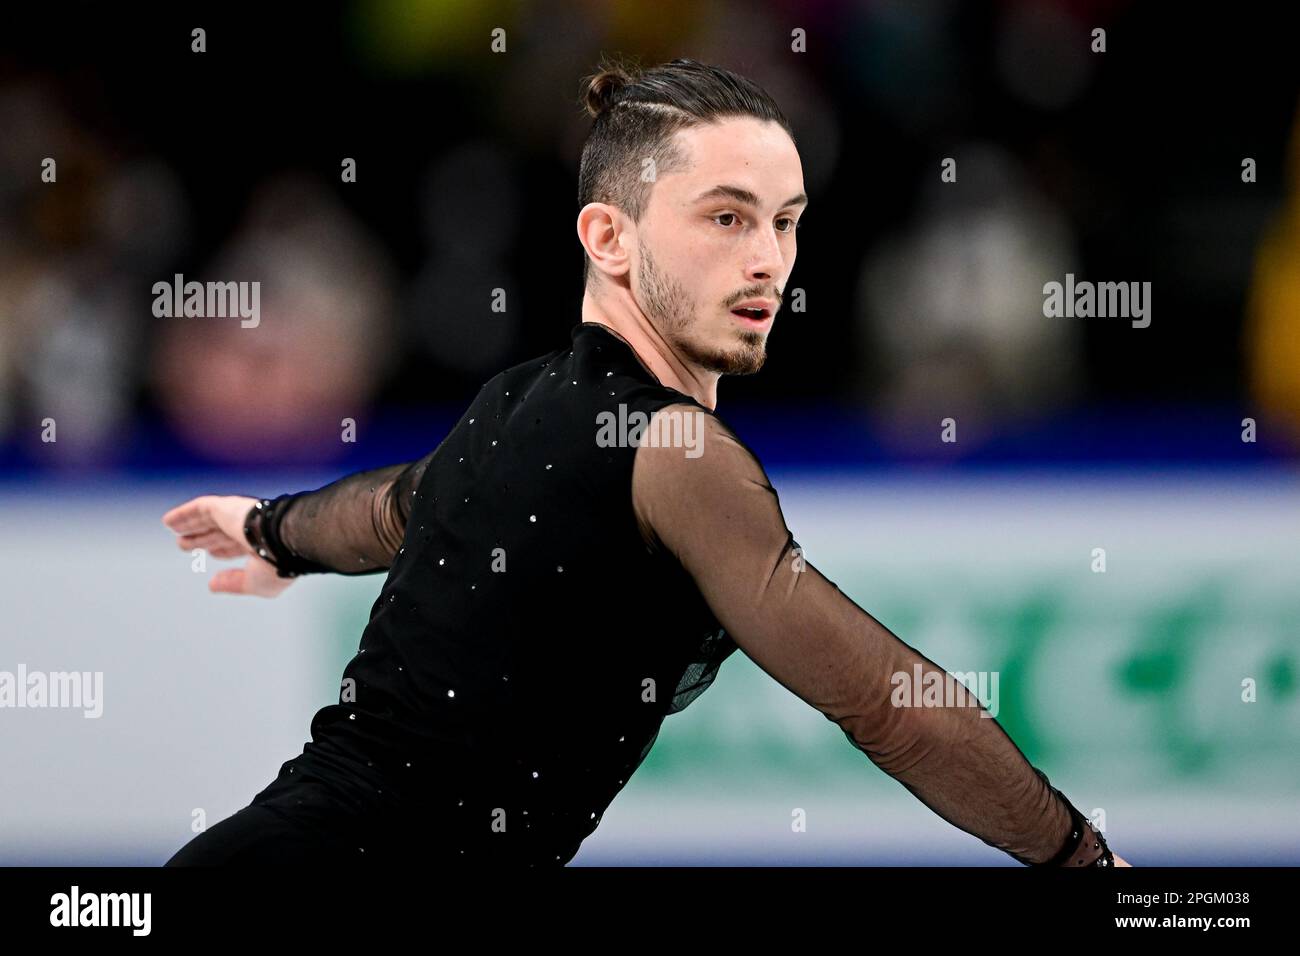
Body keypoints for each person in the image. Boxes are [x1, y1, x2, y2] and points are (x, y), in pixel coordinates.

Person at [162, 57, 1128, 867]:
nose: (768, 262)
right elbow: (886, 704)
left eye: (784, 221)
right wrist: (1086, 861)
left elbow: (395, 509)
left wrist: (271, 530)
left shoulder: (516, 401)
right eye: (726, 218)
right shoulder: (675, 451)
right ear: (608, 237)